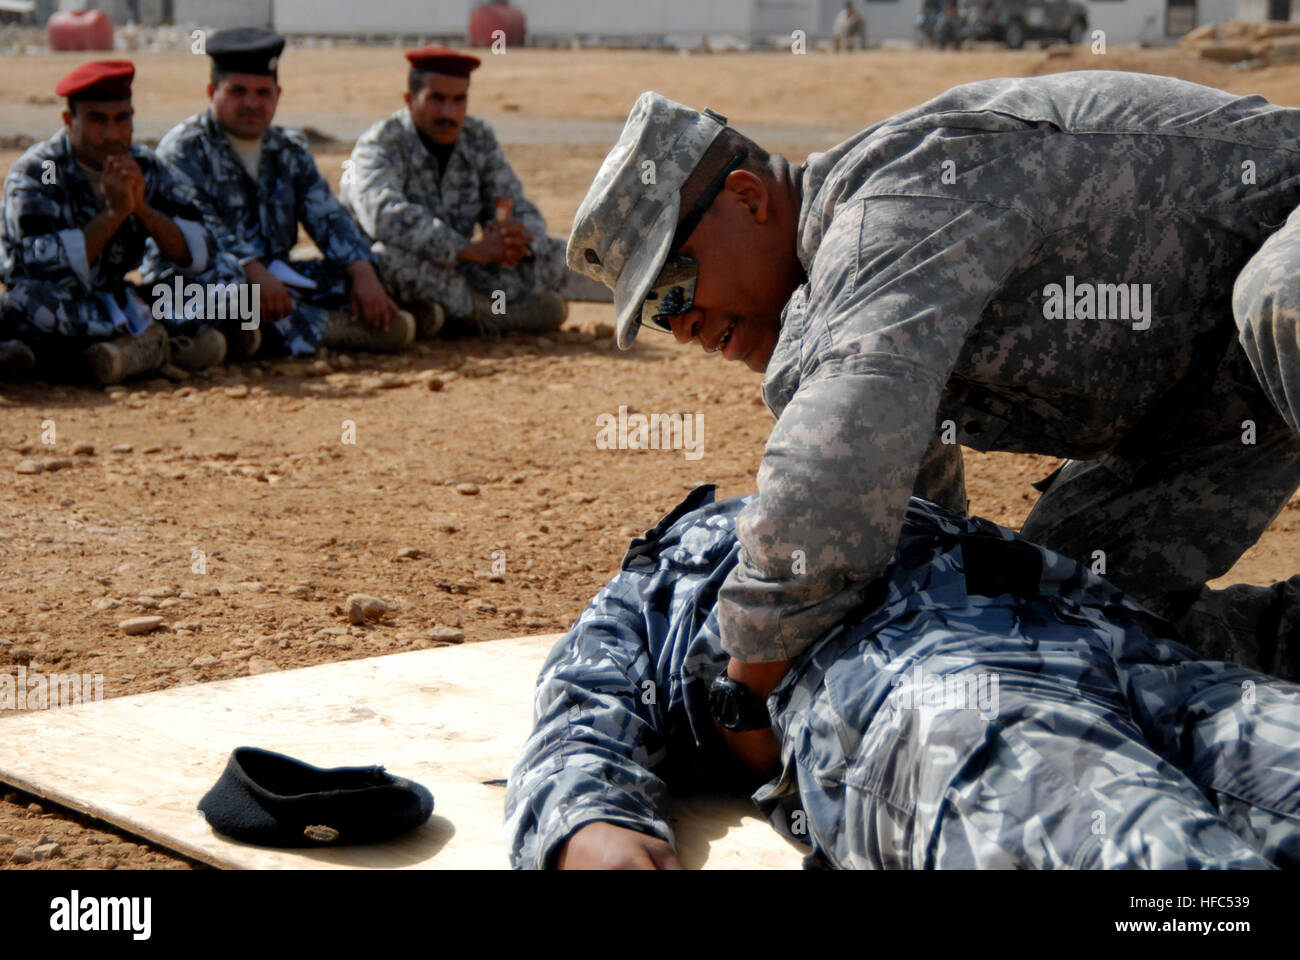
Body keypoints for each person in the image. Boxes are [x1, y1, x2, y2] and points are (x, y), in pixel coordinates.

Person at [564, 76, 1300, 779]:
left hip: (1281, 274)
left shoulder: (894, 197)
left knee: (1284, 301)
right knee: (1056, 624)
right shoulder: (838, 301)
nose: (682, 324)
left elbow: (835, 469)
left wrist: (746, 691)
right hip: (1214, 392)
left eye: (674, 284)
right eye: (657, 315)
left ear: (748, 198)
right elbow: (914, 522)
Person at [505, 486, 1300, 869]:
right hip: (936, 693)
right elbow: (581, 711)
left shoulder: (891, 494)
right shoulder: (659, 585)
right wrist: (588, 824)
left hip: (1130, 659)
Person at [143, 26, 414, 358]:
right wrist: (252, 270)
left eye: (262, 92)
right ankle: (330, 329)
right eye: (238, 91)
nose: (251, 103)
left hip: (276, 282)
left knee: (378, 267)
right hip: (202, 277)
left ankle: (259, 336)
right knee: (220, 292)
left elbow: (328, 217)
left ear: (278, 94)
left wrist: (362, 272)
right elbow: (204, 231)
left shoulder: (288, 149)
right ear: (212, 91)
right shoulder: (182, 150)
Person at [0, 60, 224, 384]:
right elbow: (35, 266)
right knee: (25, 306)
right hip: (64, 302)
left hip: (124, 300)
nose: (112, 134)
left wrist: (142, 209)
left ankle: (124, 351)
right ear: (69, 121)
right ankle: (153, 347)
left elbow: (200, 247)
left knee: (227, 280)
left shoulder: (144, 164)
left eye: (122, 120)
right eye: (97, 121)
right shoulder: (41, 171)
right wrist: (114, 214)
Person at [340, 45, 568, 338]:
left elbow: (513, 201)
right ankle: (492, 315)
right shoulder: (380, 144)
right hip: (403, 263)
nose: (450, 113)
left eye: (459, 100)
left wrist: (515, 239)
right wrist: (469, 249)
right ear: (410, 100)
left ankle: (444, 314)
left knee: (555, 253)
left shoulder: (478, 137)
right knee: (388, 259)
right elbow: (384, 217)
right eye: (437, 99)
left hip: (461, 267)